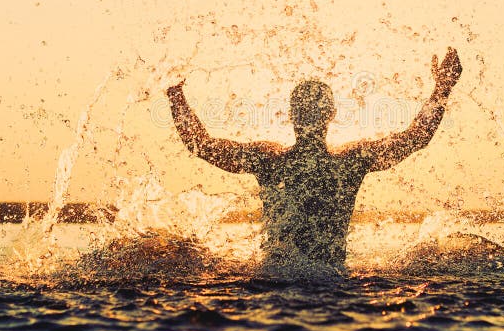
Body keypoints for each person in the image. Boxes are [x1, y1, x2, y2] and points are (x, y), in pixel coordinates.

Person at [166, 47, 462, 270]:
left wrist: (175, 93)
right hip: (332, 278)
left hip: (275, 279)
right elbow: (415, 139)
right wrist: (442, 89)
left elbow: (200, 145)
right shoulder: (350, 162)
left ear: (291, 116)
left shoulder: (269, 160)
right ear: (332, 115)